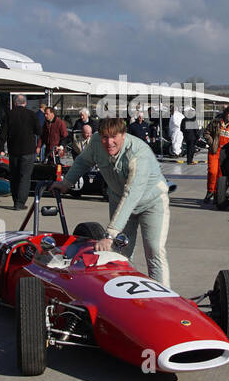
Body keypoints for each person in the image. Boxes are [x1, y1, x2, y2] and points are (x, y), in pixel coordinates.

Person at [54, 117, 173, 284]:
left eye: (114, 137)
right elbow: (83, 161)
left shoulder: (139, 153)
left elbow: (131, 195)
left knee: (154, 250)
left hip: (151, 202)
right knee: (120, 252)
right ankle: (123, 294)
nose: (109, 142)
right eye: (104, 137)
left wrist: (110, 234)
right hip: (119, 199)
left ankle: (163, 298)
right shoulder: (96, 142)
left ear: (123, 135)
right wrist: (67, 183)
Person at [0, 94, 43, 210]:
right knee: (25, 177)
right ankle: (20, 203)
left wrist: (0, 149)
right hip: (28, 150)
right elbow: (39, 131)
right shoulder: (32, 115)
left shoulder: (9, 115)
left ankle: (15, 201)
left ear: (15, 103)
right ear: (25, 103)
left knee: (14, 177)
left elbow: (2, 133)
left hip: (13, 150)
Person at [205, 106, 229, 202]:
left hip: (226, 153)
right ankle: (210, 191)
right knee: (213, 171)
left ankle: (217, 194)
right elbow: (206, 133)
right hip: (215, 150)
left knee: (221, 175)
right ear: (225, 113)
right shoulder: (216, 122)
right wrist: (211, 142)